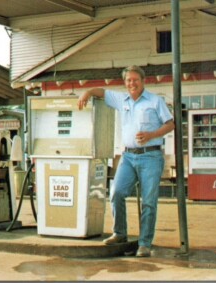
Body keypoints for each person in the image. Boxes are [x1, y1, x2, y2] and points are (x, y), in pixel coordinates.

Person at [78, 65, 175, 257]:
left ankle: (145, 243)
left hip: (151, 156)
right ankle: (120, 233)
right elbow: (102, 92)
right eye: (128, 80)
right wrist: (87, 92)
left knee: (148, 201)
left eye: (135, 80)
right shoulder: (120, 99)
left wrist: (151, 134)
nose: (132, 83)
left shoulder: (156, 101)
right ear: (125, 82)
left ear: (143, 81)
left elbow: (171, 124)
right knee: (117, 192)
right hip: (128, 156)